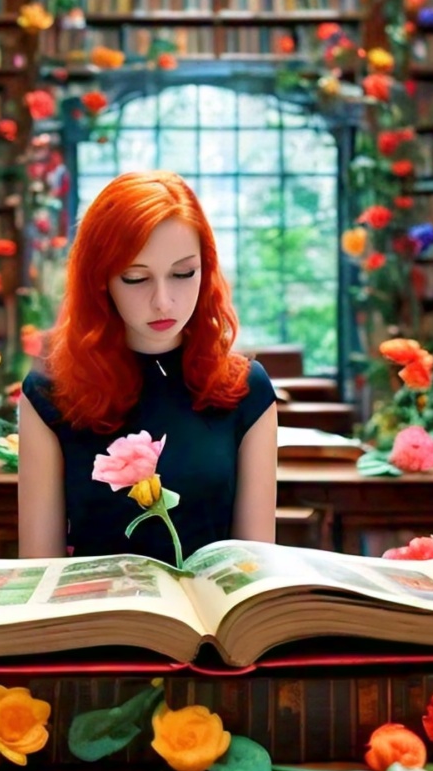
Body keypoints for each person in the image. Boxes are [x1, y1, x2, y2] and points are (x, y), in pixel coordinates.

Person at [19, 170, 278, 564]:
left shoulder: (246, 390)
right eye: (136, 278)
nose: (163, 301)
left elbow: (254, 566)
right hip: (93, 619)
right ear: (101, 280)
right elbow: (39, 569)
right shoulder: (50, 393)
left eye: (183, 274)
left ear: (206, 271)